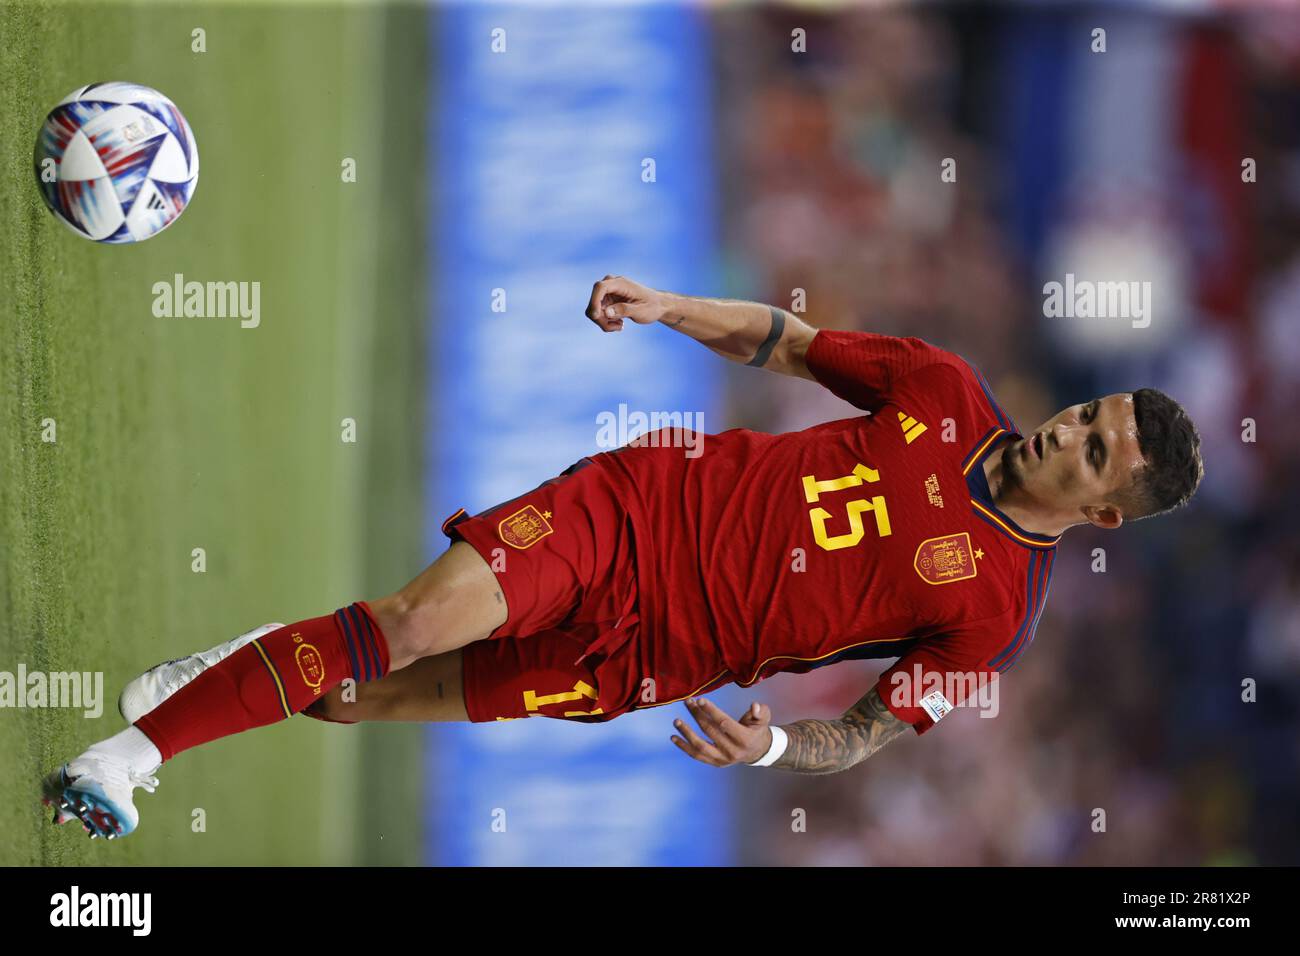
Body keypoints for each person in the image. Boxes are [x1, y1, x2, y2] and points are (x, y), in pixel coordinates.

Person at [43, 275, 1204, 838]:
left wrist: (768, 748)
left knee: (352, 699)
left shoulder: (996, 619)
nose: (1071, 429)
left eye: (1094, 450)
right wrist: (664, 307)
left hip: (649, 659)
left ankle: (235, 667)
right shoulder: (943, 388)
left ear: (1105, 511)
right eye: (1089, 411)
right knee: (413, 619)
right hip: (639, 512)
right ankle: (127, 756)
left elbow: (865, 733)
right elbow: (787, 342)